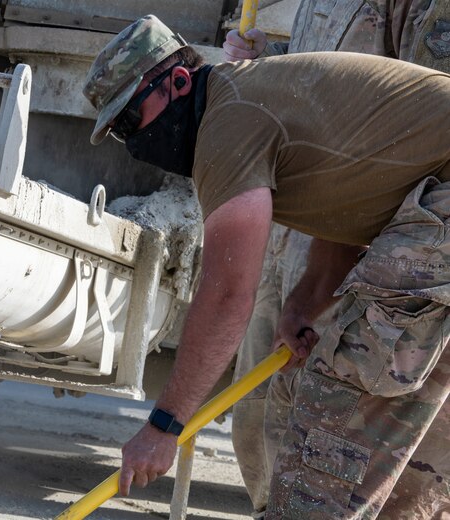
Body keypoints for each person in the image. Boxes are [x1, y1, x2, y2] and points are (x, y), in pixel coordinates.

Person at [82, 14, 450, 518]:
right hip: (434, 198)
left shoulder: (226, 122)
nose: (133, 140)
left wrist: (164, 427)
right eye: (119, 132)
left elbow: (229, 294)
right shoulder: (249, 100)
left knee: (336, 405)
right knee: (396, 424)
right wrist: (306, 301)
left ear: (179, 81)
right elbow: (350, 200)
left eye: (130, 120)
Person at [220, 1, 450, 517]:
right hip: (300, 251)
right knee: (266, 440)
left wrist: (322, 284)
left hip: (384, 282)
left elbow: (426, 135)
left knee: (358, 482)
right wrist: (268, 67)